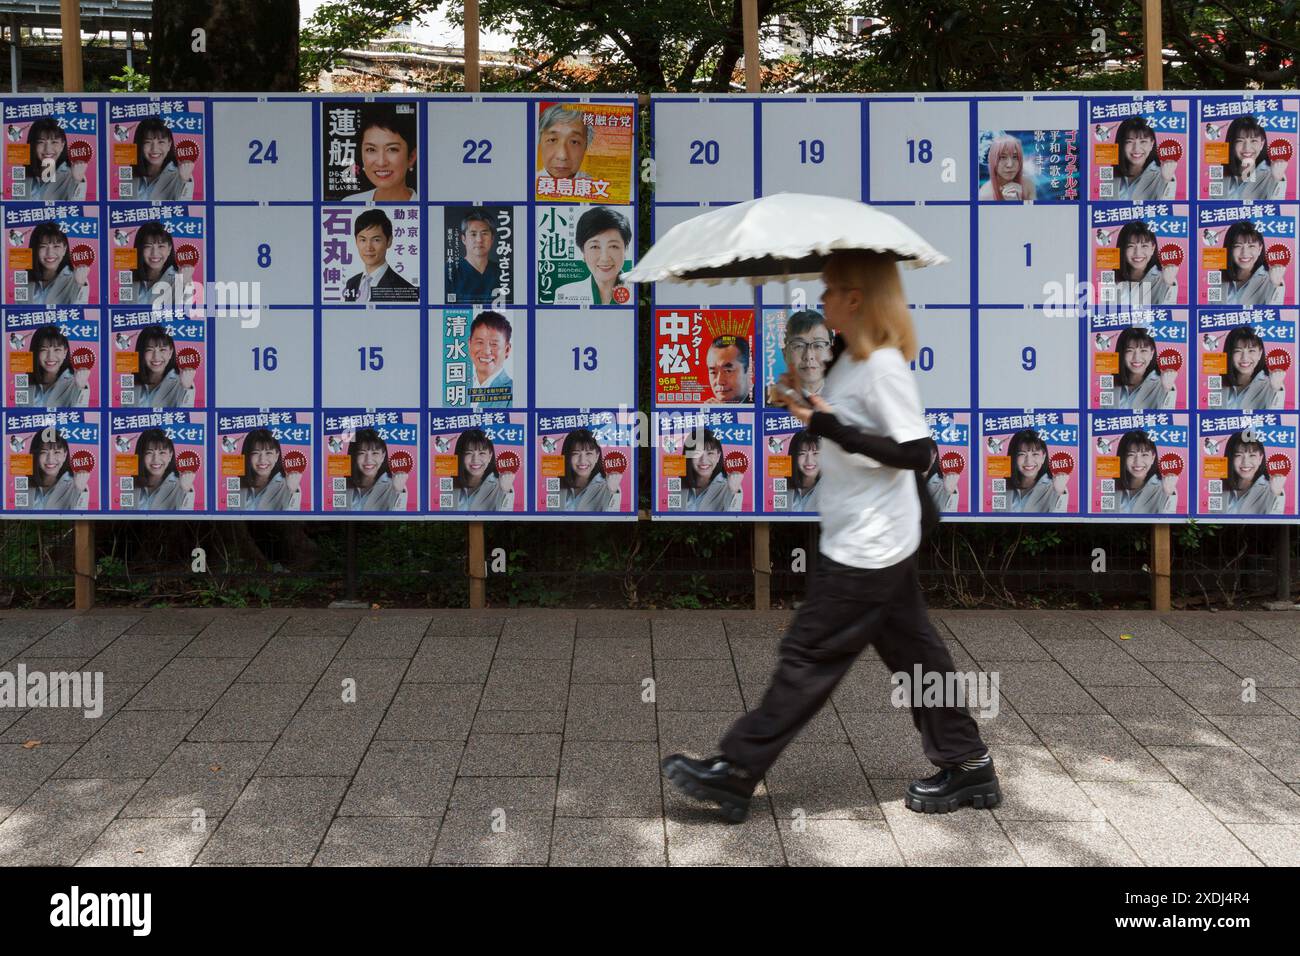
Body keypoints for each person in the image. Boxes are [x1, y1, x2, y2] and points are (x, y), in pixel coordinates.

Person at [662, 249, 998, 822]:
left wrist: (826, 424)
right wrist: (799, 401)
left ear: (857, 298)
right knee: (917, 657)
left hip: (869, 546)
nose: (821, 299)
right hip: (869, 536)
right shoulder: (848, 357)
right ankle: (968, 765)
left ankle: (736, 772)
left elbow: (916, 451)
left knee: (808, 656)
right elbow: (843, 423)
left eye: (832, 289)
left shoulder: (883, 364)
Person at [552, 207, 631, 305]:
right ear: (583, 251)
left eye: (614, 246)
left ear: (626, 249)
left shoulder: (635, 292)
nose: (605, 258)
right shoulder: (565, 293)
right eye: (595, 246)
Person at [342, 104, 418, 202]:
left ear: (411, 157)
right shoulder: (349, 203)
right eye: (371, 150)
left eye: (392, 149)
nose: (381, 163)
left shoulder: (429, 207)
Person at [343, 209, 416, 303]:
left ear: (389, 241)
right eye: (363, 240)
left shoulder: (404, 290)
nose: (368, 247)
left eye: (376, 240)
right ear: (356, 241)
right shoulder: (352, 283)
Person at [669, 427, 743, 512]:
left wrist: (733, 492)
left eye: (710, 453)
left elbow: (733, 519)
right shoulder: (678, 485)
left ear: (718, 456)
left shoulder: (731, 486)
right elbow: (671, 515)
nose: (703, 460)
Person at [1103, 326, 1176, 409]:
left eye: (1143, 350)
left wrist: (1167, 389)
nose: (1136, 358)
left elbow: (1167, 418)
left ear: (1152, 353)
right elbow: (1102, 415)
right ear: (1121, 353)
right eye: (1129, 350)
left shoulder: (1164, 384)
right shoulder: (1110, 382)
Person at [1219, 115, 1287, 201]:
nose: (1247, 148)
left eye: (1253, 141)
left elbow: (1276, 208)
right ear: (1231, 143)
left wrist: (1278, 179)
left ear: (1261, 144)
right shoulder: (1221, 172)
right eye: (1240, 141)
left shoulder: (1273, 174)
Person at [1108, 116, 1176, 201]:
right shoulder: (1110, 175)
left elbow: (1165, 209)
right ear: (1121, 144)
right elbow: (1102, 207)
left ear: (1151, 144)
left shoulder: (1163, 174)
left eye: (1143, 141)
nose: (1136, 149)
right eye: (1129, 141)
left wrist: (1166, 180)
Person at [126, 117, 194, 201]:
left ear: (169, 145)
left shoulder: (181, 174)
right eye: (148, 142)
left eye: (161, 142)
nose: (154, 149)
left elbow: (183, 208)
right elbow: (122, 206)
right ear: (140, 145)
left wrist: (184, 180)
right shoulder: (129, 173)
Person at [1218, 221, 1285, 306]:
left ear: (1260, 249)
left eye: (1251, 246)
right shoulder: (1219, 278)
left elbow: (1274, 313)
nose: (1245, 253)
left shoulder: (1272, 279)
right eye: (1238, 246)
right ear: (1229, 249)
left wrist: (1276, 285)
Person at [1112, 220, 1177, 306]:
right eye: (1131, 246)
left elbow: (1168, 314)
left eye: (1144, 246)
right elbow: (1106, 312)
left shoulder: (1165, 278)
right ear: (1122, 249)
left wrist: (1168, 284)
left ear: (1152, 248)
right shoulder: (1109, 278)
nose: (1138, 253)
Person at [23, 325, 89, 407]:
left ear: (65, 352)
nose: (50, 357)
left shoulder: (77, 382)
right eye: (44, 350)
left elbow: (79, 415)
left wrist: (80, 387)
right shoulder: (25, 382)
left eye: (57, 349)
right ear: (35, 352)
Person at [1004, 429, 1069, 512]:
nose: (1029, 461)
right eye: (1022, 454)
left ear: (1043, 457)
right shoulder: (1004, 486)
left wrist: (1059, 493)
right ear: (1013, 457)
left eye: (1035, 454)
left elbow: (1059, 520)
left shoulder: (1056, 487)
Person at [22, 117, 87, 201]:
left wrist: (77, 181)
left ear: (62, 145)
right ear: (33, 145)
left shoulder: (73, 176)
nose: (48, 149)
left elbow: (76, 209)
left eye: (54, 142)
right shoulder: (24, 174)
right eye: (41, 142)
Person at [773, 310, 833, 401]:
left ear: (831, 352)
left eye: (818, 345)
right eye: (799, 346)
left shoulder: (850, 399)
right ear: (785, 353)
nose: (808, 356)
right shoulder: (766, 398)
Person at [129, 221, 191, 307]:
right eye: (148, 246)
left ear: (169, 249)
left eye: (161, 246)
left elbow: (185, 313)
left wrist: (184, 283)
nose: (155, 253)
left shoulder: (180, 279)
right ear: (140, 249)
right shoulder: (129, 278)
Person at [130, 325, 195, 408]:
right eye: (149, 350)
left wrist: (187, 387)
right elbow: (124, 413)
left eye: (162, 349)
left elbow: (185, 415)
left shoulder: (183, 382)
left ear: (170, 353)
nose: (156, 357)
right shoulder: (131, 381)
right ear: (141, 352)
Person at [24, 222, 89, 305]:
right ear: (35, 250)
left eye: (56, 246)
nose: (50, 253)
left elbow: (79, 312)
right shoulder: (25, 279)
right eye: (43, 246)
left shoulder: (77, 279)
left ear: (64, 249)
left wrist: (80, 285)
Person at [22, 430, 89, 510]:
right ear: (35, 455)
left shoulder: (77, 485)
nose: (50, 459)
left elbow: (80, 517)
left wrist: (79, 491)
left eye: (57, 452)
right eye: (44, 452)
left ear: (65, 455)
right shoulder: (25, 484)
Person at [345, 428, 408, 511]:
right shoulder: (344, 485)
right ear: (353, 456)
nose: (368, 460)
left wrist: (398, 491)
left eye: (375, 453)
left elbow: (400, 517)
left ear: (383, 456)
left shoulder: (395, 486)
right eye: (361, 453)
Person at [238, 428, 302, 511]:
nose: (262, 460)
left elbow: (293, 521)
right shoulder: (237, 485)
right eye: (255, 453)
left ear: (276, 456)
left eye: (268, 453)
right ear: (247, 456)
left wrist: (292, 492)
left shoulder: (289, 485)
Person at [451, 427, 514, 511]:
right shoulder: (450, 483)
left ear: (490, 456)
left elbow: (505, 519)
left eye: (482, 453)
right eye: (468, 453)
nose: (475, 459)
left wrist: (505, 491)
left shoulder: (502, 484)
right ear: (460, 456)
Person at [1223, 431, 1286, 514]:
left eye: (1252, 455)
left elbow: (1277, 521)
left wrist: (1276, 494)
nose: (1245, 463)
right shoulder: (1221, 487)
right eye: (1238, 455)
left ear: (1260, 458)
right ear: (1230, 458)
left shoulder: (1272, 489)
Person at [1114, 430, 1177, 513]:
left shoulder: (1164, 488)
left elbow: (1169, 519)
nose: (1138, 462)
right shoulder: (1113, 487)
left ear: (1153, 457)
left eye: (1144, 455)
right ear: (1122, 458)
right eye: (1131, 455)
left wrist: (1169, 494)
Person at [131, 428, 194, 510]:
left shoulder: (182, 485)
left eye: (162, 452)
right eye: (149, 452)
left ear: (170, 455)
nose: (156, 459)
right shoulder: (131, 484)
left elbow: (186, 518)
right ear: (141, 455)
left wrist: (186, 490)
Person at [559, 428, 619, 512]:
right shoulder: (557, 485)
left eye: (589, 453)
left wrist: (613, 492)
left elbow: (613, 518)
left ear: (597, 456)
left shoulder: (609, 486)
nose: (582, 461)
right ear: (567, 456)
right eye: (575, 453)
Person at [448, 209, 501, 303]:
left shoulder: (503, 273)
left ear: (492, 238)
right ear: (463, 239)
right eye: (473, 234)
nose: (479, 239)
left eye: (484, 233)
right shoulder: (449, 272)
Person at [466, 311, 513, 407]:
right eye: (479, 342)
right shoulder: (458, 387)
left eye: (494, 344)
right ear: (469, 344)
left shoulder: (514, 391)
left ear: (507, 350)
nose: (486, 351)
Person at [536, 103, 592, 182]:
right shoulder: (526, 184)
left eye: (574, 142)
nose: (562, 156)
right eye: (552, 140)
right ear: (539, 142)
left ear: (586, 146)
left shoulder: (598, 187)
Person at [772, 429, 820, 513]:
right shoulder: (782, 488)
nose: (809, 460)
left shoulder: (833, 489)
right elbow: (776, 520)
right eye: (802, 453)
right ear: (794, 456)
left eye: (815, 453)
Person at [979, 134, 1036, 201]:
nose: (1010, 164)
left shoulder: (1028, 184)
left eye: (1015, 157)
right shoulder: (984, 195)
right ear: (992, 160)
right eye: (1002, 157)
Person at [704, 335, 754, 404]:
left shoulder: (766, 402)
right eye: (713, 372)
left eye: (728, 371)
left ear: (751, 370)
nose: (720, 381)